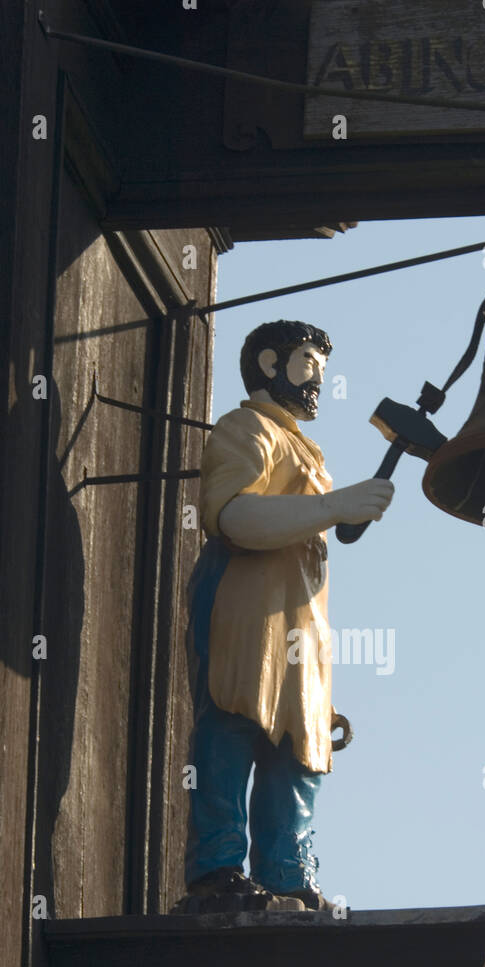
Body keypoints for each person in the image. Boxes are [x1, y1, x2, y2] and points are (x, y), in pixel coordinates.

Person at [173, 319, 394, 913]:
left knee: (301, 751)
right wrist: (334, 504)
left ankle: (287, 874)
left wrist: (337, 508)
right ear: (270, 362)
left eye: (321, 369)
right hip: (247, 614)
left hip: (301, 633)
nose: (317, 379)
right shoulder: (246, 429)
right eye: (306, 364)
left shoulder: (304, 449)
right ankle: (219, 869)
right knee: (231, 726)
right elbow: (236, 519)